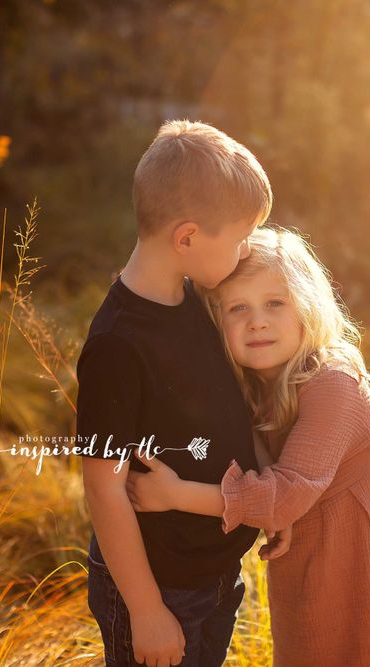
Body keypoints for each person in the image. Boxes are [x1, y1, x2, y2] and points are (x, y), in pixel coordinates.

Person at [126, 226, 370, 666]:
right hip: (309, 553)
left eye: (275, 303)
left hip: (356, 553)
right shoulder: (253, 385)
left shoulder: (333, 383)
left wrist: (177, 495)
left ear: (307, 309)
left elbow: (285, 496)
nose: (257, 321)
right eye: (238, 308)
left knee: (363, 650)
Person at [76, 119, 274, 667]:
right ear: (186, 238)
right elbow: (104, 489)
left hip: (215, 571)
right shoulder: (118, 345)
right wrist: (145, 611)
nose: (245, 250)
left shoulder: (197, 301)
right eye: (239, 238)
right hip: (158, 588)